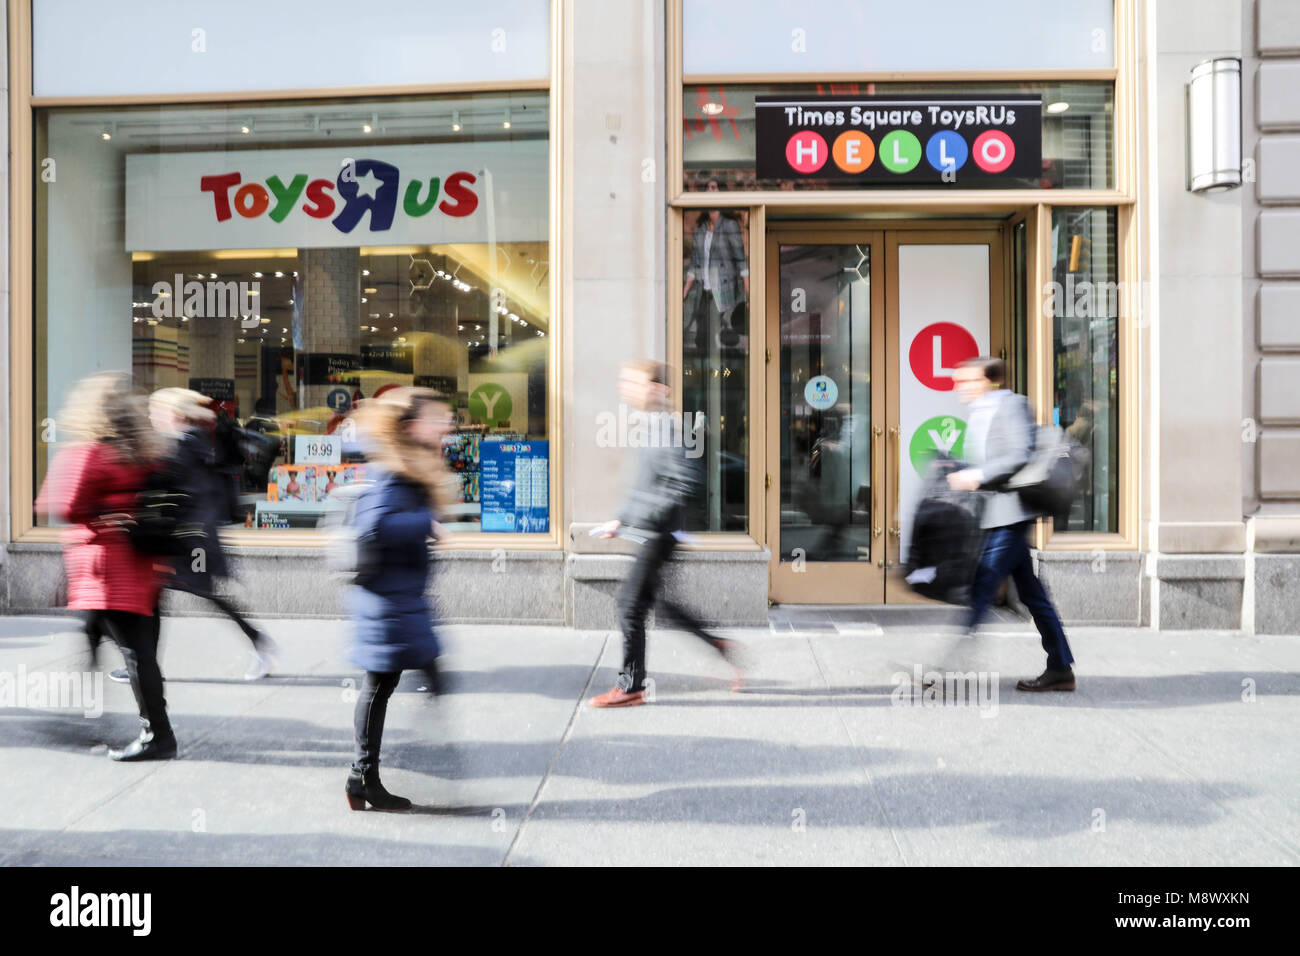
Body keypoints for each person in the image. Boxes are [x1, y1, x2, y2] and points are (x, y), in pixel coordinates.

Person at [589, 359, 746, 708]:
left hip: (659, 533)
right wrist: (621, 519)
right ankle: (721, 646)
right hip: (653, 530)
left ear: (660, 389)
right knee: (659, 604)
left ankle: (631, 686)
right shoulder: (650, 424)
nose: (626, 388)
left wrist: (644, 520)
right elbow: (646, 485)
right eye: (625, 381)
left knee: (629, 606)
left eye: (634, 382)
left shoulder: (664, 426)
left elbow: (683, 480)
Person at [36, 372, 175, 761]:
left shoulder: (89, 453)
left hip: (108, 570)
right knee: (138, 650)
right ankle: (151, 726)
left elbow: (61, 505)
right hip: (143, 566)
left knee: (134, 653)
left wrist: (101, 513)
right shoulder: (143, 451)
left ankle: (157, 735)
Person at [344, 387, 453, 811]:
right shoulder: (392, 469)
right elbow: (374, 528)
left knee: (385, 684)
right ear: (411, 428)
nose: (445, 425)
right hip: (385, 599)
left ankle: (363, 776)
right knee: (379, 685)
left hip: (398, 595)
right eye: (436, 418)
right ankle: (362, 776)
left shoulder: (408, 464)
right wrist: (426, 522)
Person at [947, 356, 1076, 692]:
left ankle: (948, 670)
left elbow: (1020, 453)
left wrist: (977, 476)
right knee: (1033, 594)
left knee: (983, 586)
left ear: (988, 380)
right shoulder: (979, 412)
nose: (961, 386)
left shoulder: (1011, 405)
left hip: (1011, 515)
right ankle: (1061, 666)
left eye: (967, 379)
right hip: (996, 516)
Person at [139, 388, 277, 681]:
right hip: (190, 538)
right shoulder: (190, 443)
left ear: (173, 414)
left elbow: (192, 495)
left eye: (156, 411)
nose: (152, 417)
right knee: (162, 596)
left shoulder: (185, 447)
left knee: (204, 593)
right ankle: (145, 664)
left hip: (193, 541)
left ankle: (258, 641)